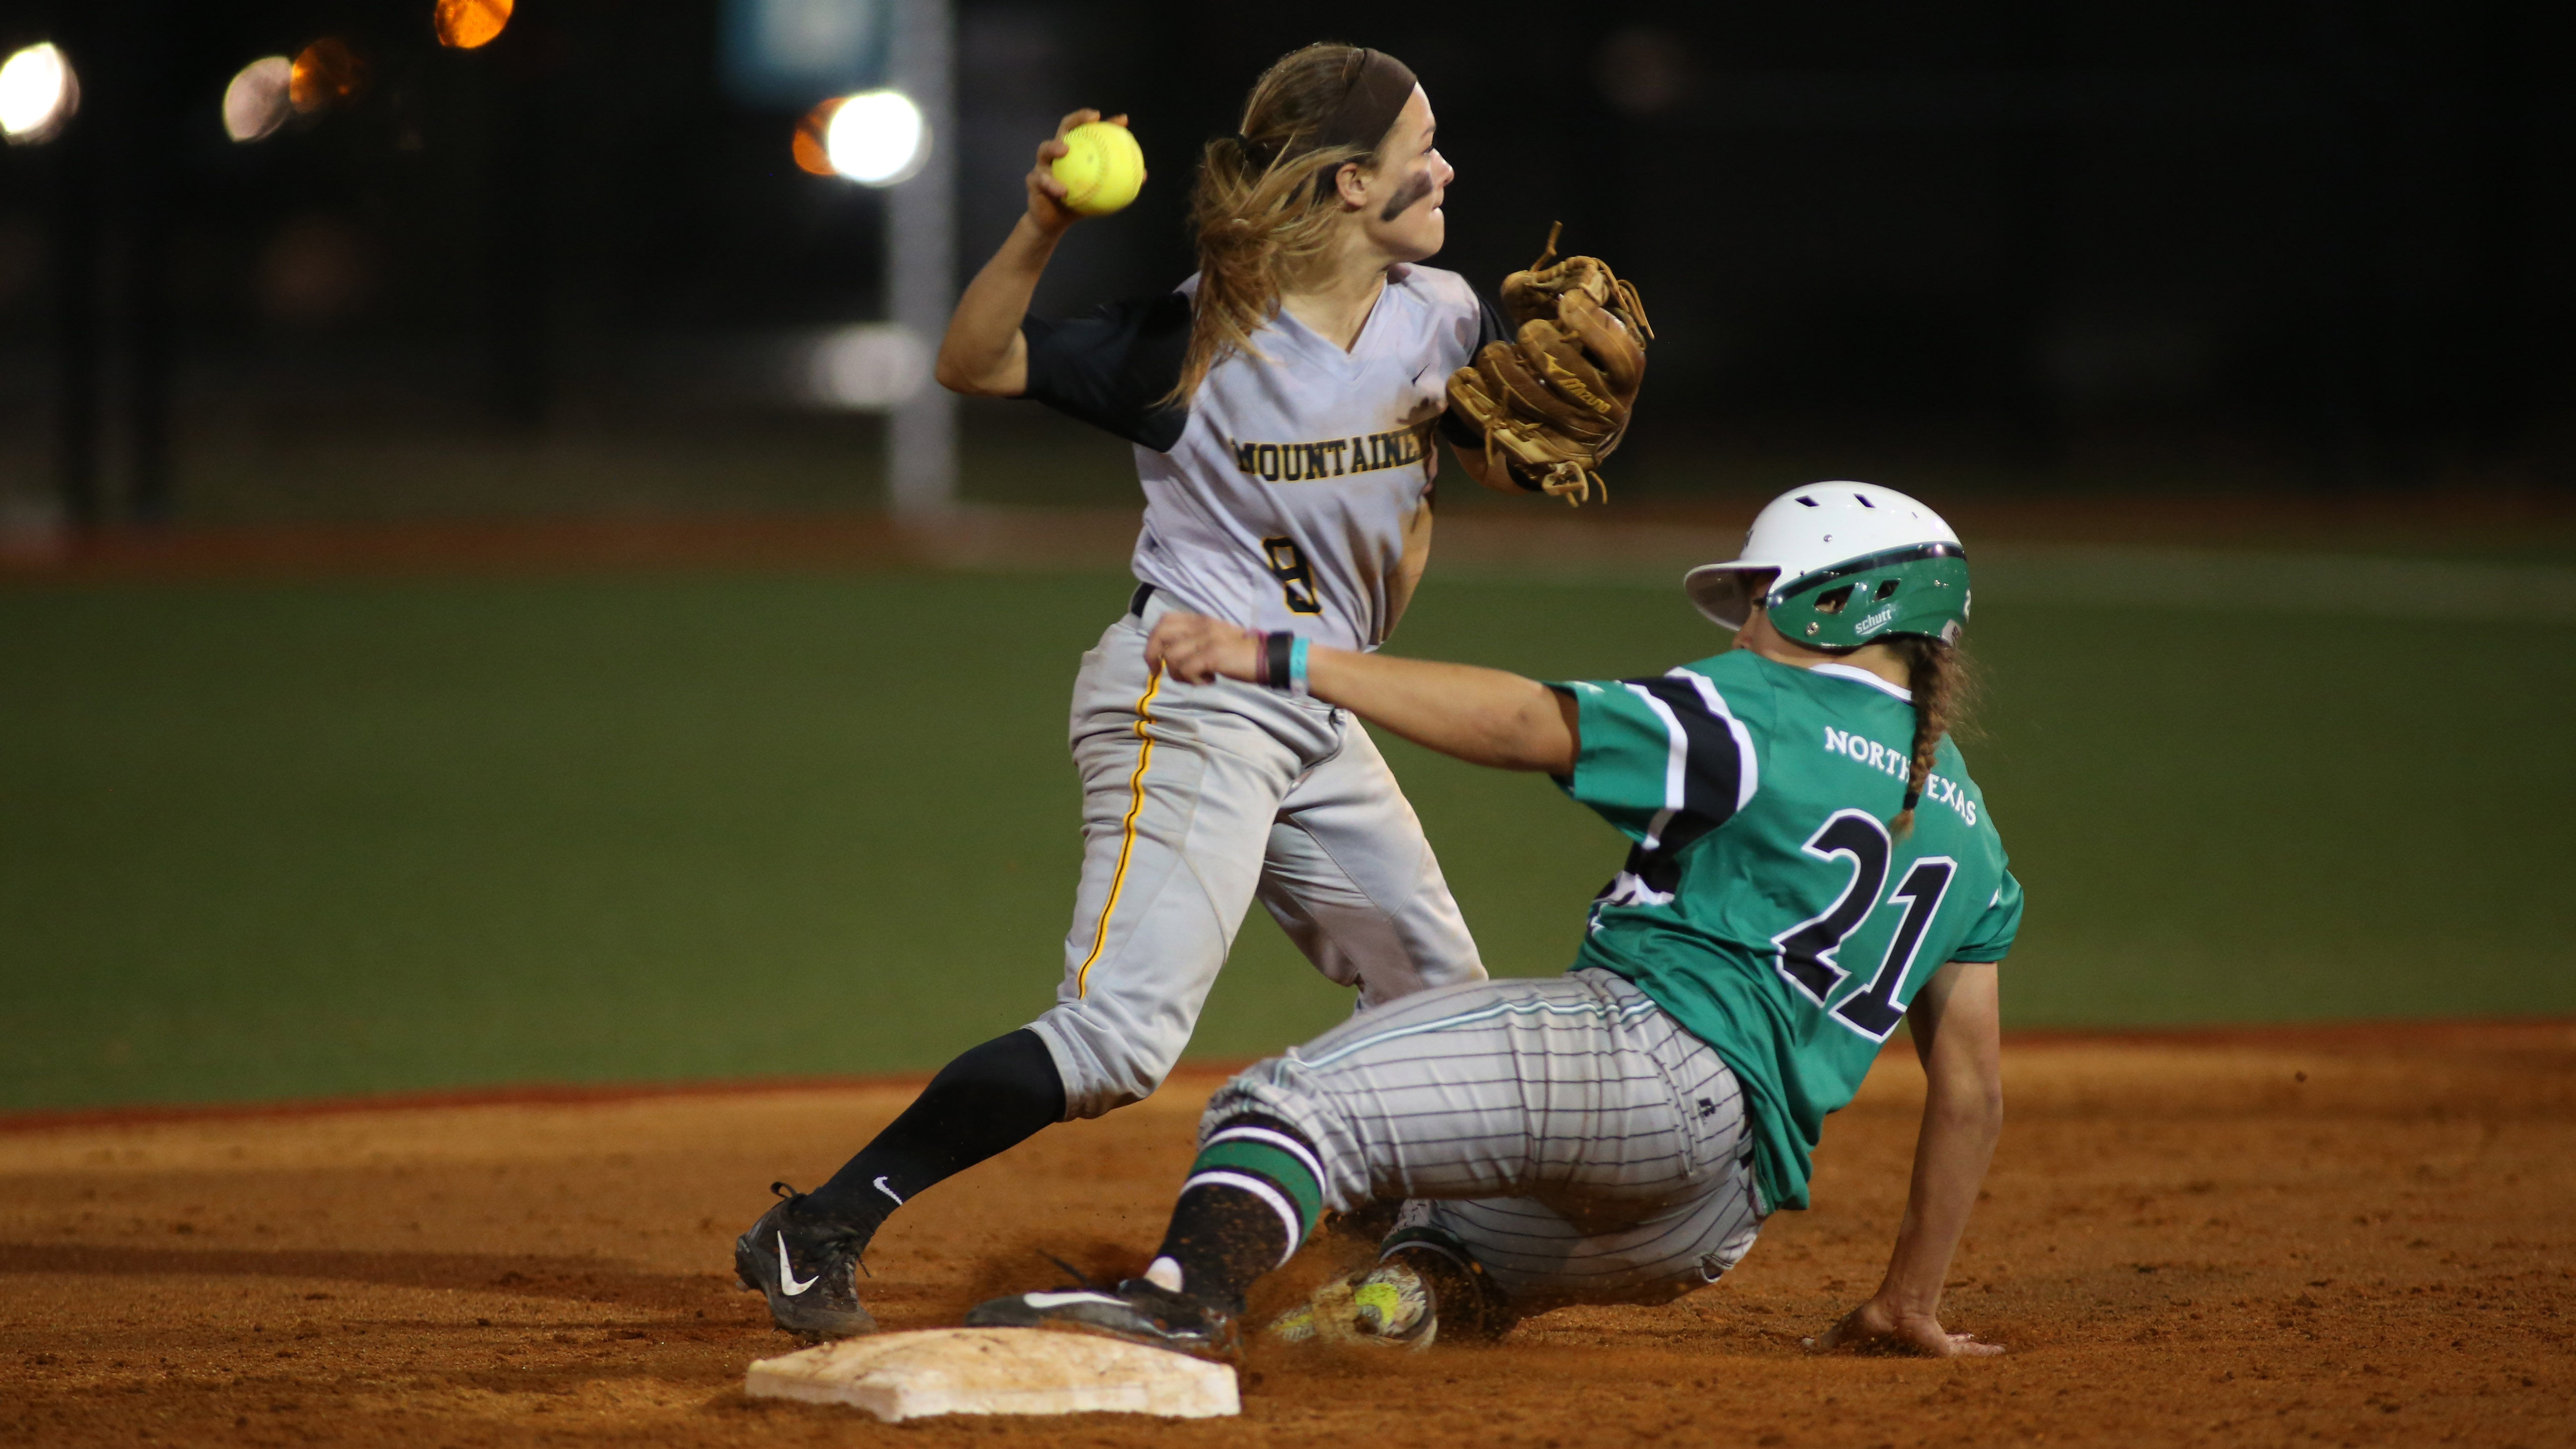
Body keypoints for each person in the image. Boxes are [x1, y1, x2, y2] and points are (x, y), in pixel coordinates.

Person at [735, 43, 1535, 1338]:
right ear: (1345, 184)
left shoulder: (1444, 315)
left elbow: (1498, 461)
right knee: (1118, 1043)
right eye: (1418, 150)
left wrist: (1560, 432)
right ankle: (817, 1224)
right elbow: (976, 363)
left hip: (1323, 708)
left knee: (1440, 1007)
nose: (1444, 167)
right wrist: (1045, 222)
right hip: (1189, 698)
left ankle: (1408, 1251)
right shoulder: (1206, 334)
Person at [967, 483, 2021, 1359]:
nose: (1743, 626)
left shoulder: (1765, 705)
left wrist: (1283, 658)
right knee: (1435, 1243)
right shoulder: (1970, 829)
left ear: (1838, 603)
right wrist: (1905, 1303)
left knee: (1282, 1106)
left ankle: (1179, 1305)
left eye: (1758, 598)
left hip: (1645, 1068)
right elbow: (1970, 1091)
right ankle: (1409, 1300)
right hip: (1707, 1221)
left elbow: (1525, 725)